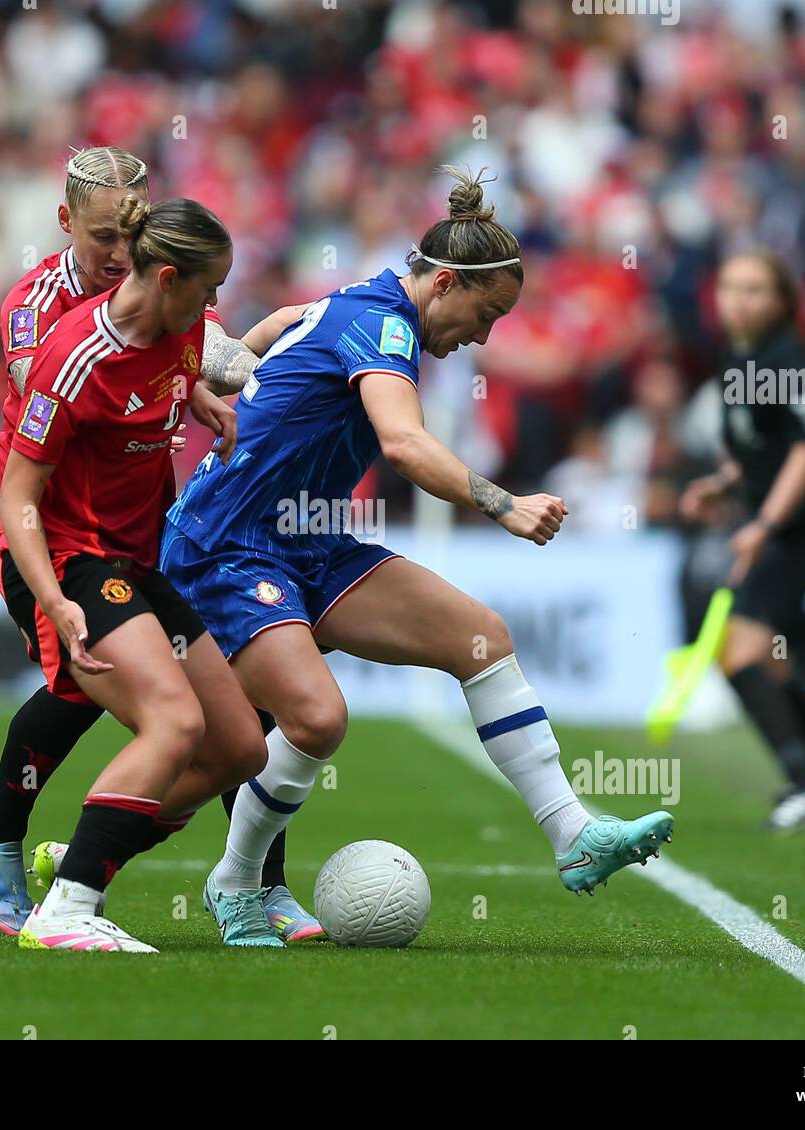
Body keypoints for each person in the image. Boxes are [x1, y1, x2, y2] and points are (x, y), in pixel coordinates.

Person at [158, 167, 674, 945]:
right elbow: (401, 444)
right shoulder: (386, 325)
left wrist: (234, 370)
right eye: (485, 312)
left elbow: (285, 322)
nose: (485, 334)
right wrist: (505, 503)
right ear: (442, 283)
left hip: (307, 538)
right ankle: (224, 885)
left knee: (484, 642)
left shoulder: (360, 300)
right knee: (308, 719)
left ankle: (573, 832)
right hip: (226, 543)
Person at [0, 146, 298, 936]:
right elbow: (47, 430)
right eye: (103, 237)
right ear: (64, 224)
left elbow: (184, 359)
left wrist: (197, 395)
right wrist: (48, 592)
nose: (119, 253)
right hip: (51, 532)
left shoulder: (171, 303)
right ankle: (23, 850)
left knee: (238, 735)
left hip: (139, 531)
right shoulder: (49, 323)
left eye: (131, 235)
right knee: (134, 704)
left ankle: (92, 860)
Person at [679, 250, 805, 832]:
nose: (739, 299)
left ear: (782, 301)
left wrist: (763, 526)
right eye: (730, 286)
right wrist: (723, 483)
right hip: (773, 528)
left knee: (741, 653)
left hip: (797, 531)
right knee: (773, 664)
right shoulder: (739, 356)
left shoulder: (790, 359)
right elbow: (764, 448)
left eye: (754, 289)